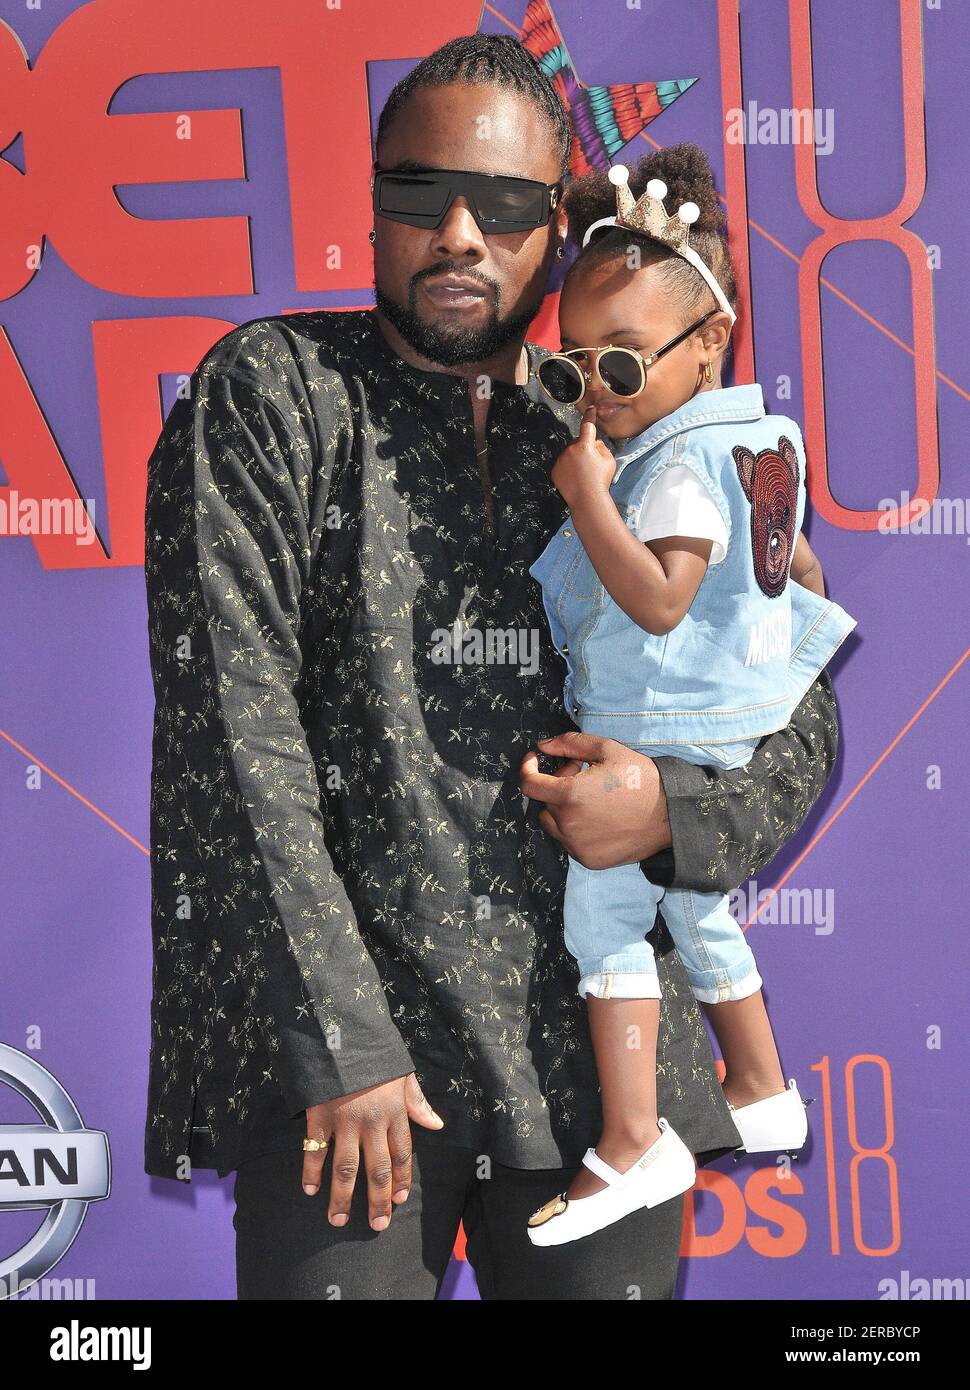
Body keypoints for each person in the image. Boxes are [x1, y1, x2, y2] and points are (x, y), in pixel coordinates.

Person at [143, 35, 843, 1300]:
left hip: (599, 1064)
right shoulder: (273, 394)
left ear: (557, 225)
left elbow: (793, 705)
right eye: (419, 191)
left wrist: (670, 811)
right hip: (354, 1075)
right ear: (371, 202)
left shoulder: (641, 427)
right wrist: (342, 1038)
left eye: (508, 204)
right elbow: (230, 740)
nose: (460, 232)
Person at [524, 145, 857, 1247]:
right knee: (700, 907)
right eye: (569, 372)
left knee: (603, 915)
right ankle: (760, 1087)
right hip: (721, 728)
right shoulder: (752, 444)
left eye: (620, 369)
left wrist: (585, 500)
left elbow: (661, 601)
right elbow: (796, 570)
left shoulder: (665, 466)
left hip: (663, 726)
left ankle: (634, 1139)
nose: (597, 398)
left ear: (709, 340)